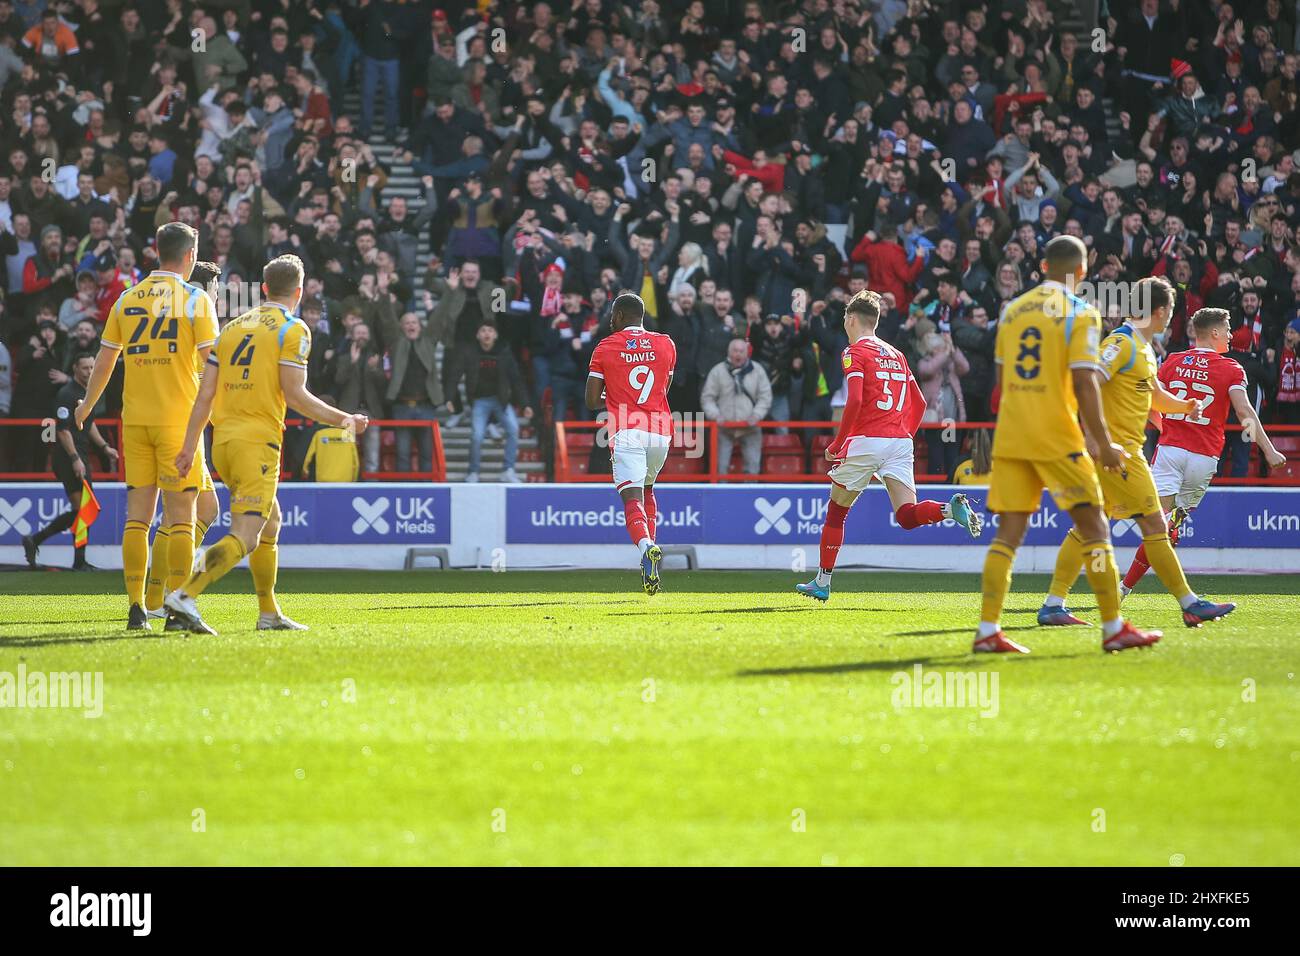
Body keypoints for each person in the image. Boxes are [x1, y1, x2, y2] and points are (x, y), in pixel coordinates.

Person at [165, 255, 369, 635]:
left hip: (223, 443)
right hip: (257, 442)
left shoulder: (231, 329)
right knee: (246, 533)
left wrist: (189, 446)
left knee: (270, 523)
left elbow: (204, 395)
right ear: (299, 290)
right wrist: (344, 419)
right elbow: (297, 396)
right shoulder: (294, 330)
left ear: (262, 289)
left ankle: (268, 612)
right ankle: (184, 595)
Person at [976, 235, 1161, 654]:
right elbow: (1084, 380)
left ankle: (988, 630)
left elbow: (1002, 384)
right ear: (1082, 272)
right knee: (1095, 525)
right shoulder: (1081, 313)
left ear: (1042, 266)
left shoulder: (1011, 311)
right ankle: (1113, 627)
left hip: (1012, 433)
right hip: (1056, 433)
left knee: (1008, 534)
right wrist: (1102, 442)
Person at [1040, 278, 1237, 629]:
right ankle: (1190, 603)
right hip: (1121, 455)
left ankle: (1054, 604)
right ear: (1160, 312)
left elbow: (1155, 395)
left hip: (1116, 453)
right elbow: (1087, 383)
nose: (1171, 320)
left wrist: (1185, 405)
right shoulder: (1122, 342)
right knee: (1155, 524)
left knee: (1089, 526)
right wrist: (1097, 439)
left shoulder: (1144, 349)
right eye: (1170, 313)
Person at [794, 290, 983, 603]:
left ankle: (822, 582)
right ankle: (950, 509)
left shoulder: (853, 352)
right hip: (898, 442)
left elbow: (854, 400)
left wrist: (838, 444)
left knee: (836, 514)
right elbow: (919, 403)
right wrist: (902, 434)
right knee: (907, 516)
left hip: (866, 440)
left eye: (844, 318)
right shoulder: (896, 354)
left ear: (851, 319)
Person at [75, 223, 218, 632]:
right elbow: (214, 364)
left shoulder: (127, 298)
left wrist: (86, 405)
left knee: (137, 519)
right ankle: (178, 609)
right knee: (181, 520)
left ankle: (137, 608)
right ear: (190, 256)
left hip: (134, 423)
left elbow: (104, 361)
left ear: (158, 252)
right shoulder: (196, 299)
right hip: (179, 422)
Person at [1122, 308, 1288, 595]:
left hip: (1170, 451)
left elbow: (1149, 402)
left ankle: (1124, 588)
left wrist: (1168, 427)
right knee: (1170, 527)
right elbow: (1243, 410)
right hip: (1203, 458)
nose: (1230, 335)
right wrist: (1269, 450)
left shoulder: (1172, 361)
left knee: (1158, 525)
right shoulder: (1232, 368)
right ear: (1213, 333)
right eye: (1226, 329)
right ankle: (1165, 592)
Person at [144, 260, 223, 620]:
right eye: (218, 288)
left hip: (182, 422)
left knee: (203, 510)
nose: (220, 294)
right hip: (184, 426)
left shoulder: (175, 312)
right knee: (178, 517)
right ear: (209, 289)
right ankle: (160, 597)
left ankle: (159, 594)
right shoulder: (199, 314)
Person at [585, 292, 676, 594]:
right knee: (648, 488)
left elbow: (589, 400)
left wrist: (613, 395)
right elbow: (664, 387)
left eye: (613, 315)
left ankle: (647, 547)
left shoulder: (606, 347)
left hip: (627, 430)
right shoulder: (666, 344)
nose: (610, 320)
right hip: (661, 431)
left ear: (621, 316)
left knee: (631, 498)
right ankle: (650, 555)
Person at [22, 353, 119, 570]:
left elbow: (89, 423)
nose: (89, 372)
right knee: (83, 509)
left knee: (84, 509)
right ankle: (73, 558)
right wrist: (75, 459)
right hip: (68, 457)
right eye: (85, 368)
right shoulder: (66, 394)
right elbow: (63, 431)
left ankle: (43, 543)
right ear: (75, 369)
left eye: (92, 367)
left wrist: (104, 448)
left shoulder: (87, 394)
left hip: (80, 456)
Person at [443, 319, 531, 483]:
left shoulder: (504, 352)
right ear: (478, 335)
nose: (486, 334)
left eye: (490, 331)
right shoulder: (469, 352)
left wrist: (525, 403)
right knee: (477, 436)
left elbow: (516, 379)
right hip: (479, 401)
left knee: (513, 429)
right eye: (483, 330)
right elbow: (454, 375)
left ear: (495, 335)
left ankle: (508, 469)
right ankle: (473, 471)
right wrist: (449, 398)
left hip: (500, 400)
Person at [701, 338, 773, 475]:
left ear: (747, 353)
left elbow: (765, 397)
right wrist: (715, 415)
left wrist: (756, 415)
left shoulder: (757, 371)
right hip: (723, 428)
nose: (738, 354)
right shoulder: (718, 371)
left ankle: (751, 495)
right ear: (729, 353)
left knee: (753, 469)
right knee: (720, 469)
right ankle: (720, 495)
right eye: (735, 351)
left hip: (751, 427)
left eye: (741, 351)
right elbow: (707, 398)